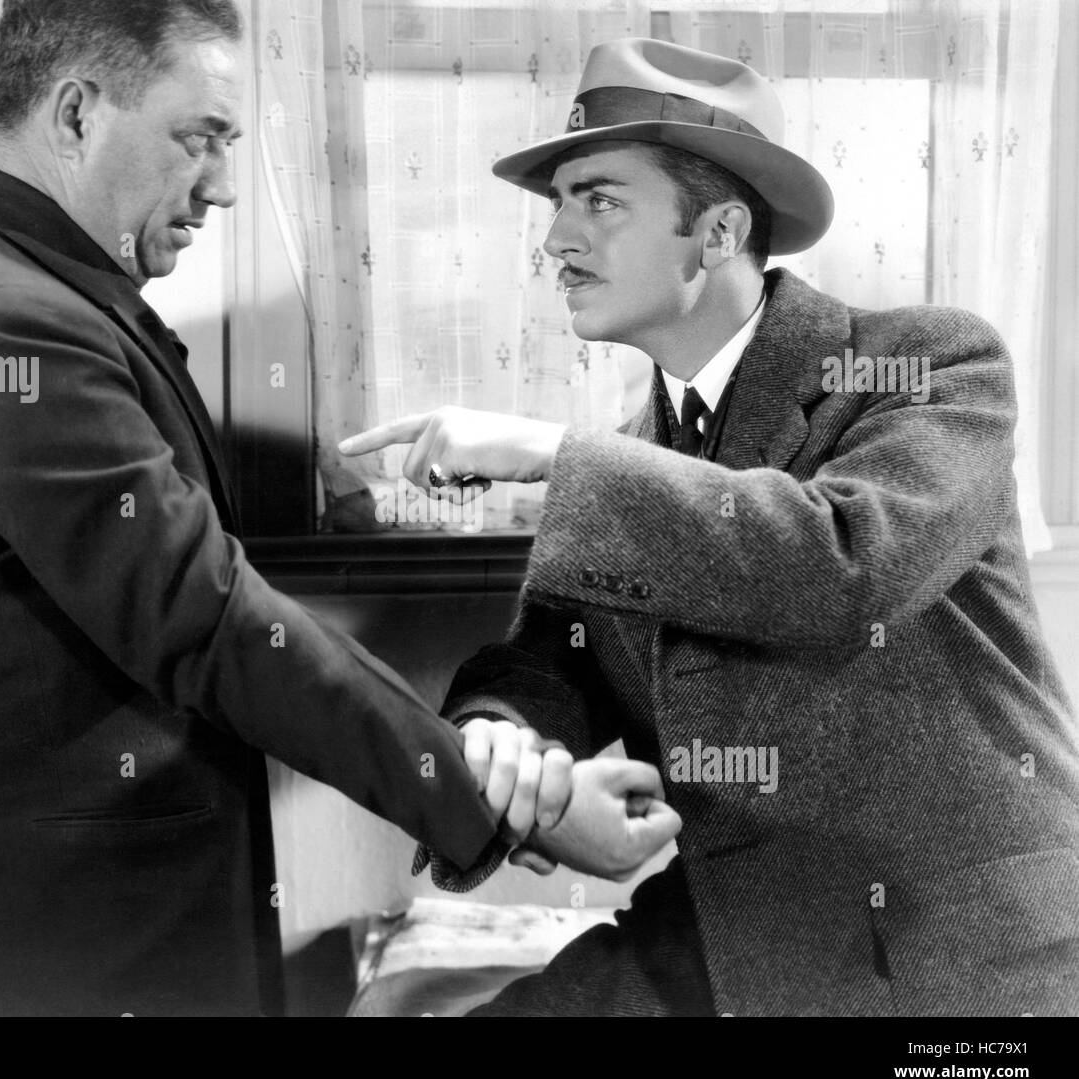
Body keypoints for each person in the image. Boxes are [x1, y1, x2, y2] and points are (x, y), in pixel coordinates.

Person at [0, 1, 677, 1017]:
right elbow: (206, 616)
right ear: (76, 114)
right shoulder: (0, 323)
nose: (220, 185)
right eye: (199, 139)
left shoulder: (27, 294)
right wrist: (517, 802)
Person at [341, 37, 1079, 1016]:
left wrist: (548, 454)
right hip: (727, 932)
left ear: (719, 230)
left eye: (597, 198)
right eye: (556, 202)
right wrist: (499, 739)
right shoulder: (636, 451)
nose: (554, 240)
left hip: (948, 956)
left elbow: (837, 564)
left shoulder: (930, 366)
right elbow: (546, 660)